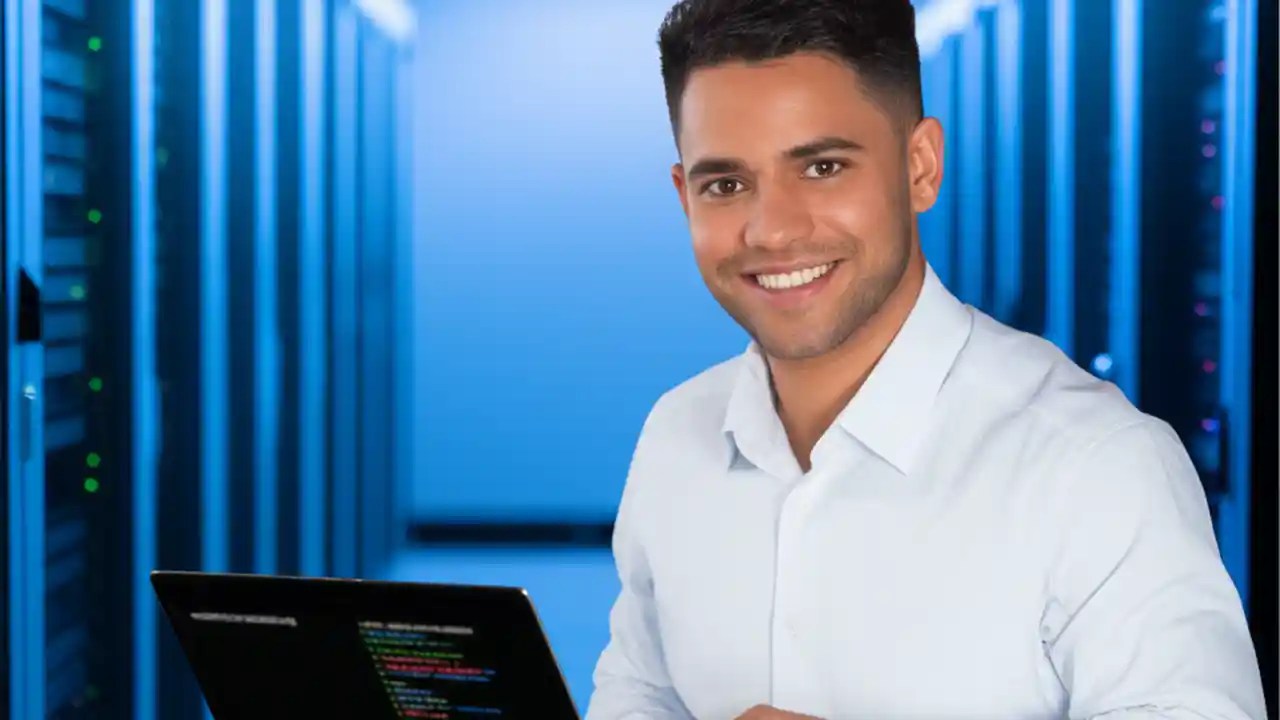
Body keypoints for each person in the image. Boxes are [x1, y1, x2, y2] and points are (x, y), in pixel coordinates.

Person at [583, 1, 1266, 719]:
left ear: (921, 167)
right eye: (725, 185)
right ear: (684, 196)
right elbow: (640, 696)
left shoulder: (1096, 465)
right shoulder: (676, 436)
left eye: (822, 167)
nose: (773, 231)